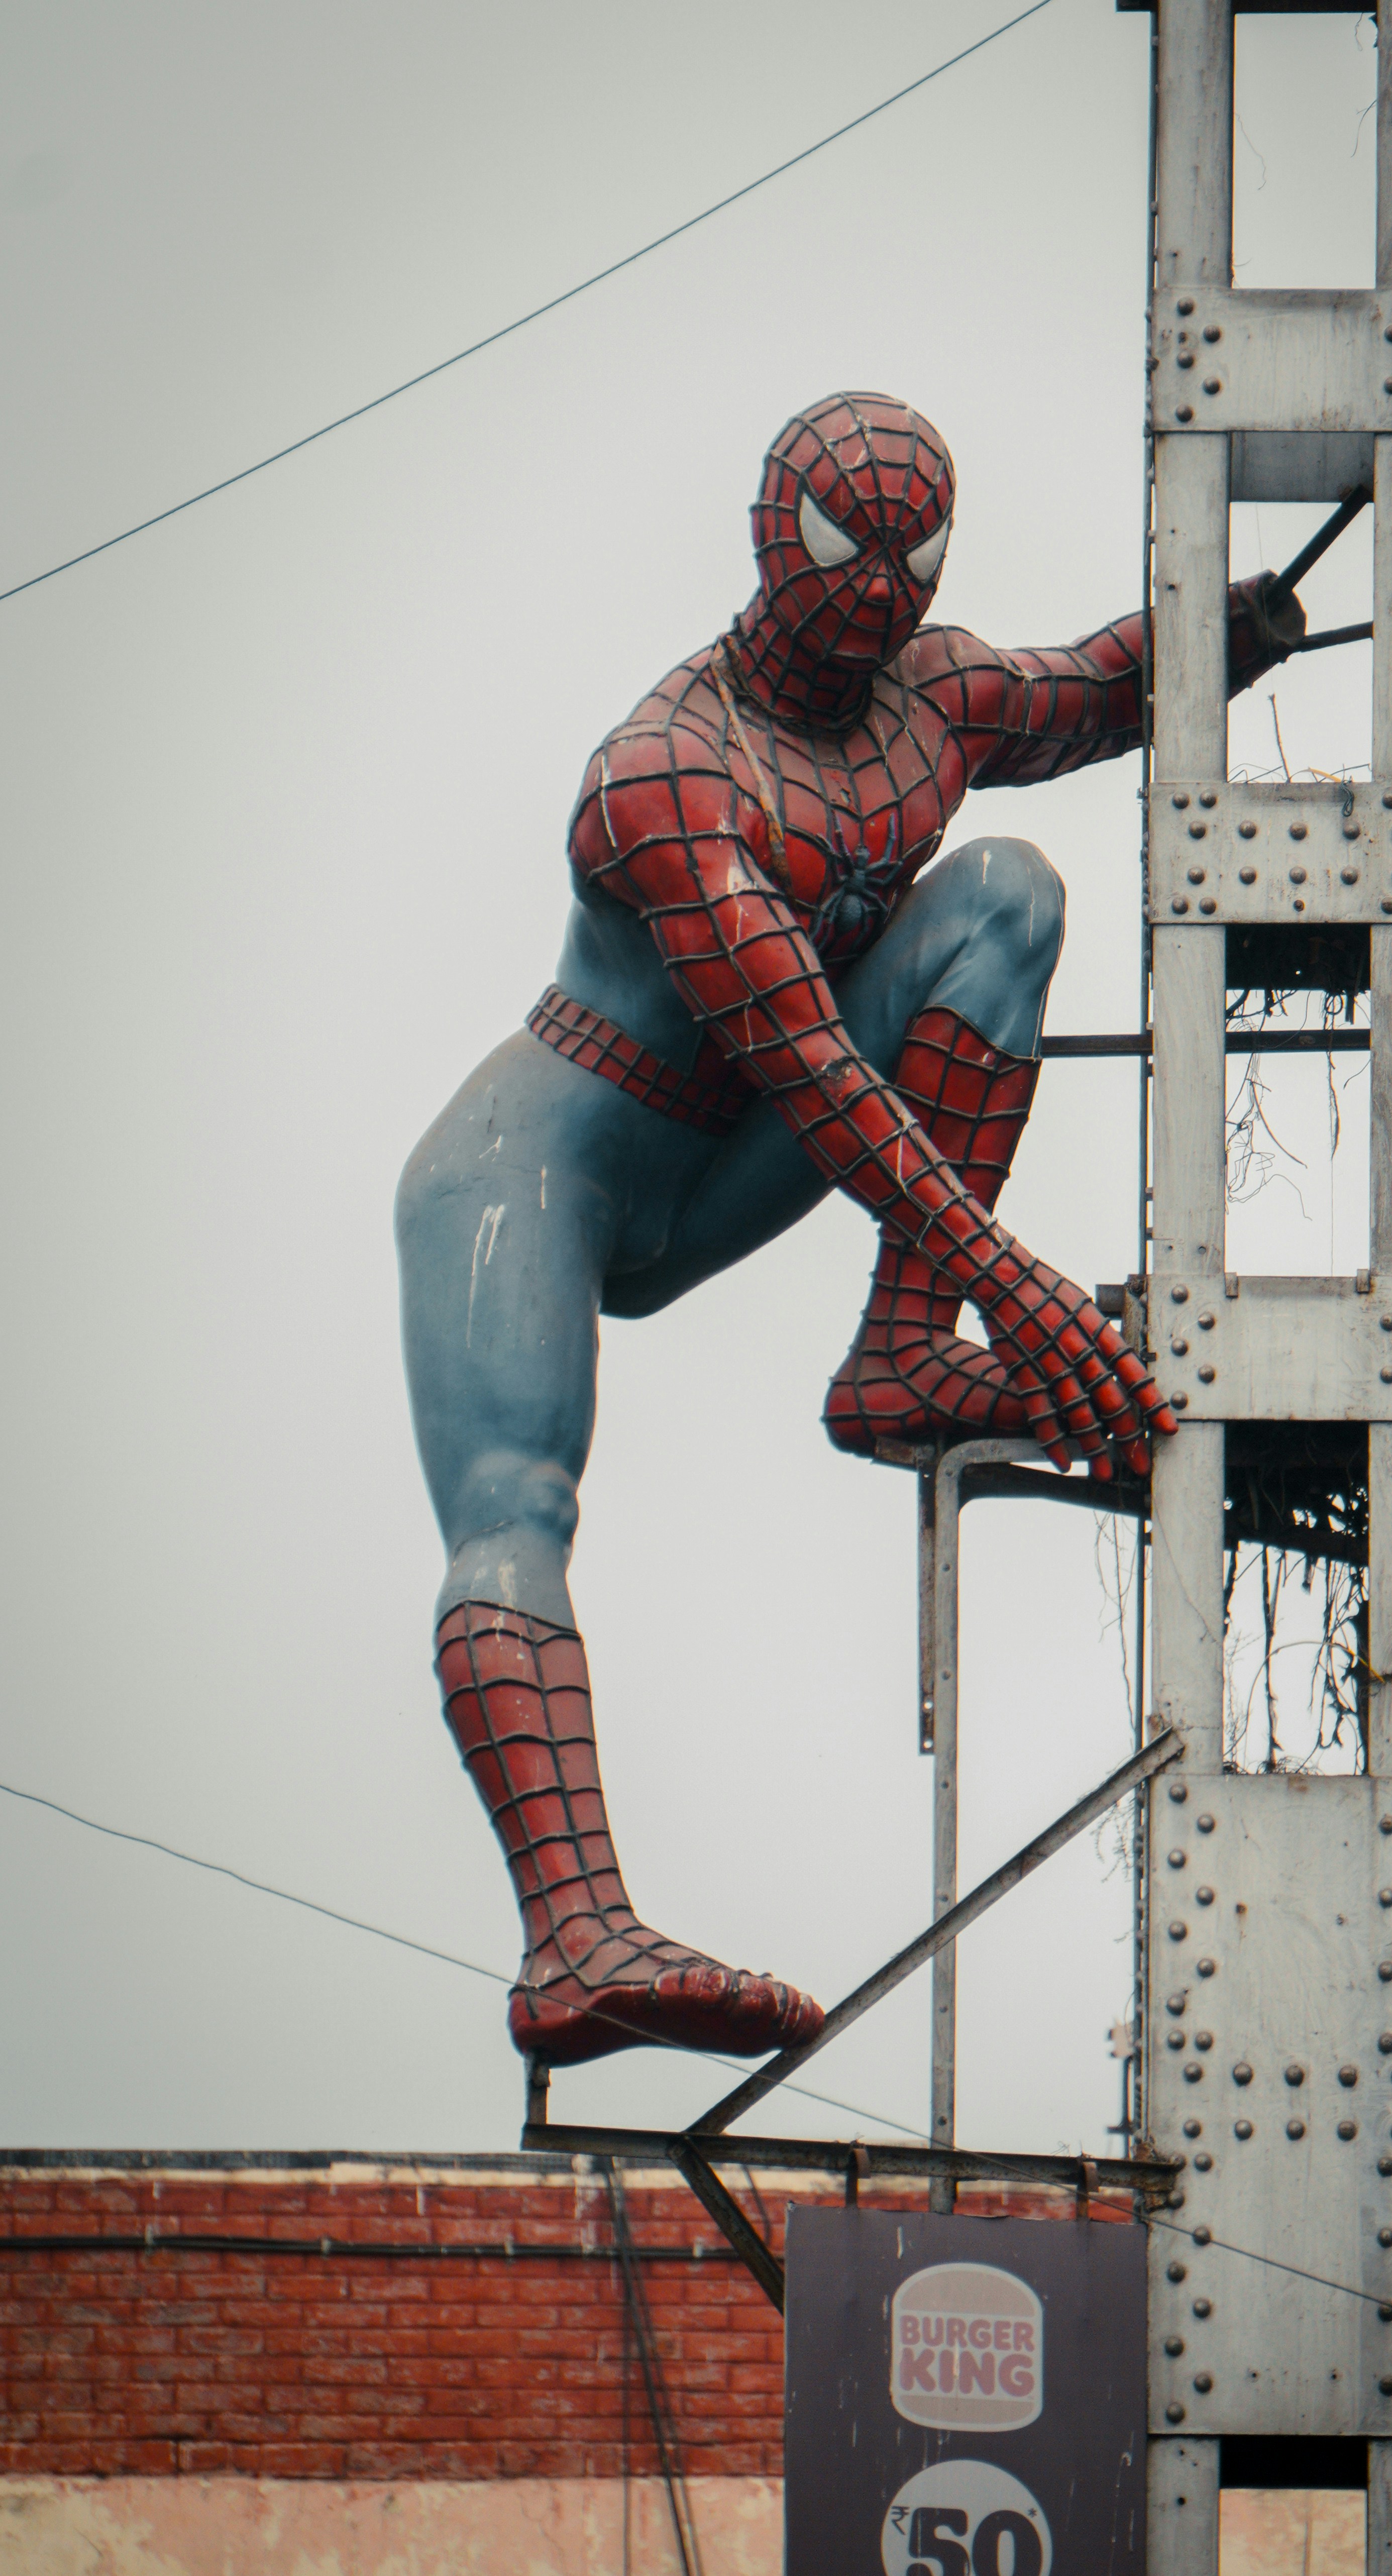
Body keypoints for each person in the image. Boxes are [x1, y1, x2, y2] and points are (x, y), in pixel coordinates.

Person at [396, 391, 1303, 2071]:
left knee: (1008, 892)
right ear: (773, 540)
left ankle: (897, 1358)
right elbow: (813, 1075)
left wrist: (1231, 633)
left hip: (735, 1148)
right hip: (548, 1163)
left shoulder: (932, 702)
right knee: (513, 1504)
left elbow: (1087, 691)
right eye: (846, 544)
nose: (881, 584)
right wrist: (1021, 1289)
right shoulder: (672, 772)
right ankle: (574, 1936)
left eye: (915, 546)